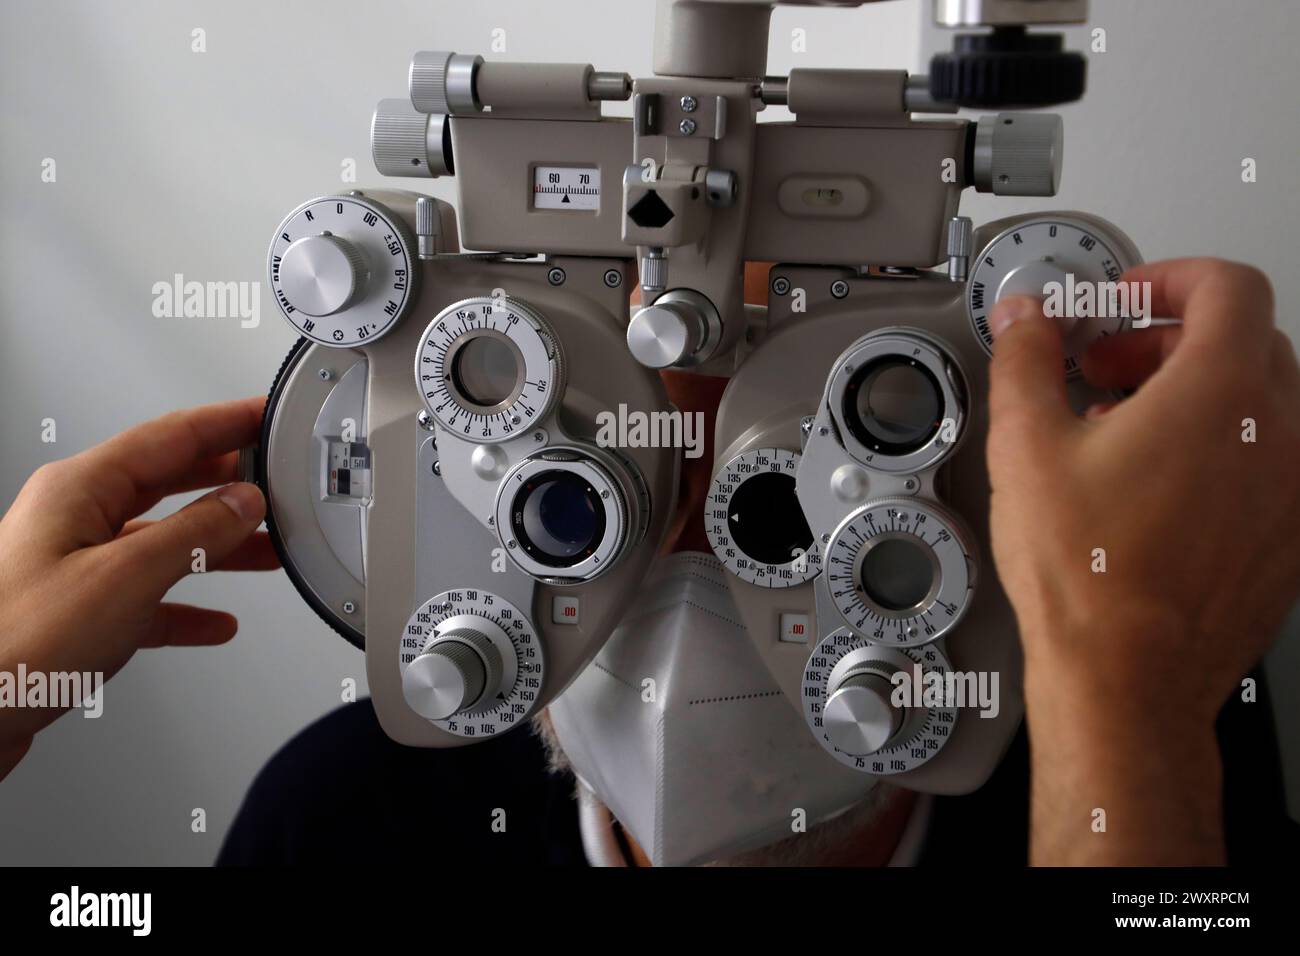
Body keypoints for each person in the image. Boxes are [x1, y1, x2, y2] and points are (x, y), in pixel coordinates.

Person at [2, 259, 1298, 865]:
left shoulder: (1138, 740)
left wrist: (1123, 709)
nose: (689, 591)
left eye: (776, 520)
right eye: (586, 515)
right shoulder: (344, 826)